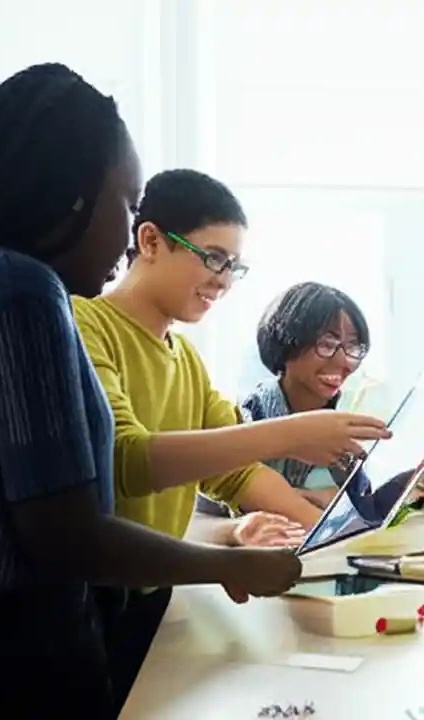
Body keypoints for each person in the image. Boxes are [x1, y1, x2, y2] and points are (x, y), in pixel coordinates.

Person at [0, 63, 299, 718]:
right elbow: (68, 532)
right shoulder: (21, 288)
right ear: (70, 195)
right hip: (20, 652)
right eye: (126, 202)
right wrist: (228, 566)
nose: (127, 235)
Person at [73, 168, 390, 707]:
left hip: (157, 598)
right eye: (213, 257)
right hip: (98, 601)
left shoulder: (185, 358)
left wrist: (337, 542)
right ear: (149, 240)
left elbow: (236, 470)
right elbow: (127, 459)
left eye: (233, 266)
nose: (223, 279)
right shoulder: (87, 323)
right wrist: (286, 434)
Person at [195, 281, 424, 522]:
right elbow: (226, 503)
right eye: (326, 344)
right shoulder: (247, 418)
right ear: (286, 341)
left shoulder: (347, 420)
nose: (343, 362)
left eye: (353, 347)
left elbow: (361, 506)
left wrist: (414, 489)